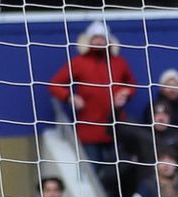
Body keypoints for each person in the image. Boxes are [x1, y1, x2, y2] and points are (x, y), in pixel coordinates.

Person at [48, 21, 136, 164]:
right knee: (92, 171)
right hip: (88, 130)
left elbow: (132, 84)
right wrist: (70, 97)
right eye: (95, 38)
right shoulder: (78, 63)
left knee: (117, 172)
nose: (99, 42)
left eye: (102, 38)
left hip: (116, 128)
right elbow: (54, 84)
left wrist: (126, 93)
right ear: (89, 40)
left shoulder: (120, 62)